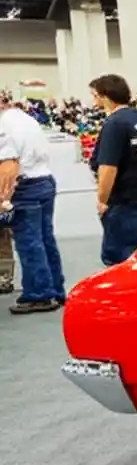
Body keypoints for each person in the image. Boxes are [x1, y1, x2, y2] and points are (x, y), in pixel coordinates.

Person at [88, 75, 137, 266]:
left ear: (105, 97)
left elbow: (108, 167)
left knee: (121, 260)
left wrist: (102, 200)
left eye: (95, 96)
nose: (94, 102)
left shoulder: (114, 124)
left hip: (127, 202)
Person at [0, 90, 65, 313]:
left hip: (24, 185)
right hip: (45, 180)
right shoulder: (26, 118)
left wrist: (3, 199)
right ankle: (56, 289)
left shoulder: (3, 126)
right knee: (46, 239)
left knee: (29, 243)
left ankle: (39, 295)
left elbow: (8, 166)